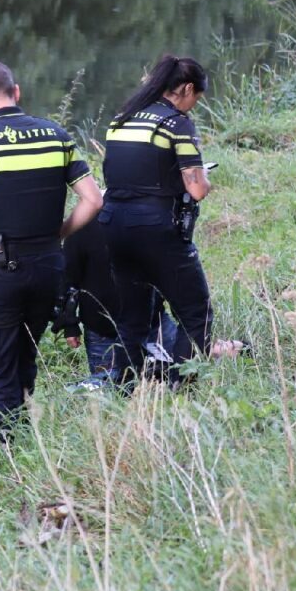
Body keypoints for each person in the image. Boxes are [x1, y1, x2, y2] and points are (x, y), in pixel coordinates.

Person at [0, 61, 103, 439]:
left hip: (0, 271)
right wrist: (59, 234)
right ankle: (19, 425)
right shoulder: (57, 136)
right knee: (26, 350)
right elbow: (93, 200)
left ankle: (5, 442)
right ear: (16, 92)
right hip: (49, 266)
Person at [97, 55, 240, 383]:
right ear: (187, 89)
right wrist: (202, 176)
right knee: (194, 313)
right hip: (156, 228)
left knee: (132, 317)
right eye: (196, 99)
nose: (193, 106)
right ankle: (183, 386)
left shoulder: (122, 118)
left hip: (114, 225)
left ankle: (125, 389)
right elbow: (197, 189)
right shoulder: (176, 123)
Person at [52, 217, 179, 388]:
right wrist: (69, 324)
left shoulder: (153, 216)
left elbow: (172, 270)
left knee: (180, 379)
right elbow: (67, 278)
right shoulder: (84, 226)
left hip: (154, 324)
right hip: (103, 331)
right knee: (111, 392)